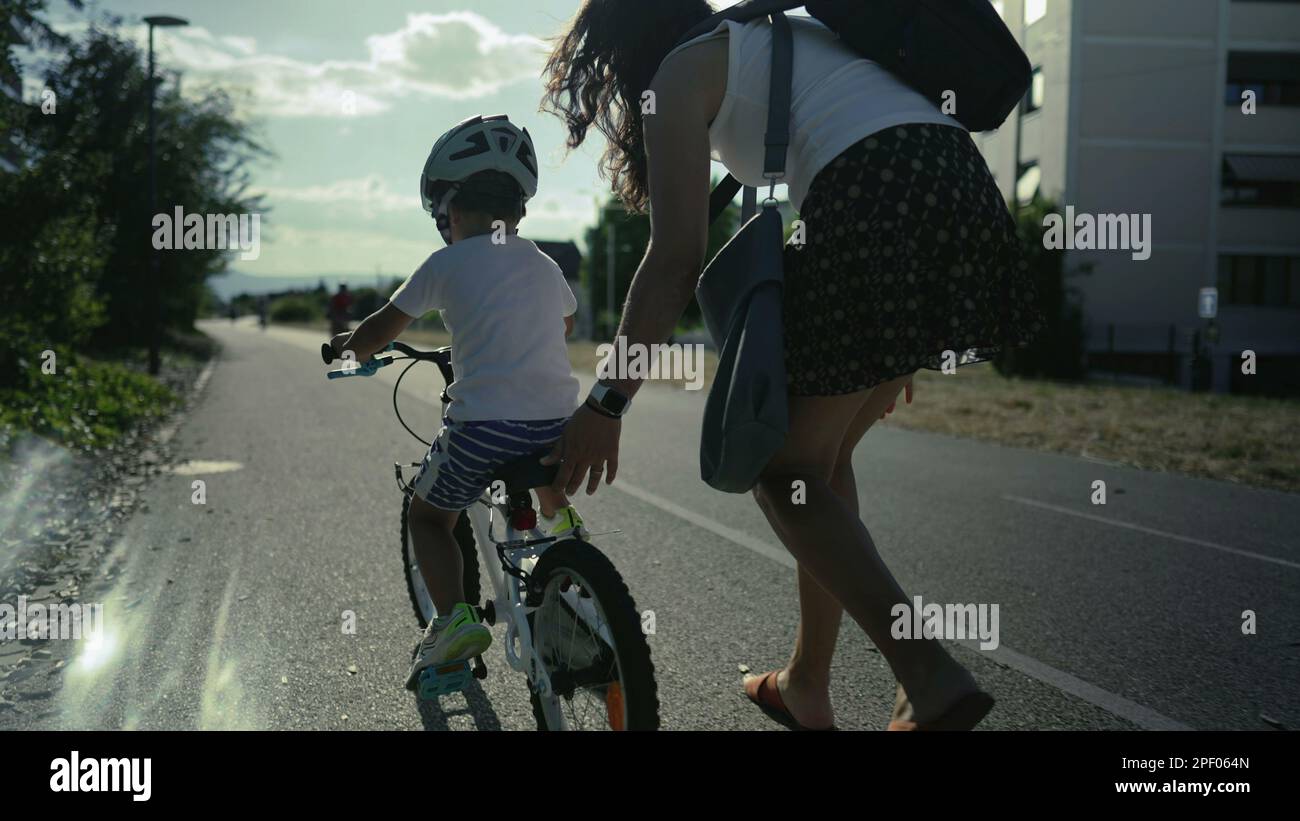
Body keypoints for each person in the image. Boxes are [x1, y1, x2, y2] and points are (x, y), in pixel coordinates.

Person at [540, 1, 1044, 730]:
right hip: (961, 190)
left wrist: (607, 404)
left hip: (874, 199)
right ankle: (807, 682)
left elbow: (675, 260)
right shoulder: (791, 36)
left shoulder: (680, 75)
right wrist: (899, 329)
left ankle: (926, 674)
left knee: (780, 472)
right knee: (823, 461)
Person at [328, 115, 586, 689]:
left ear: (450, 211)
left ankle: (453, 621)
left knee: (428, 516)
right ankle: (562, 530)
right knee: (541, 451)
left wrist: (348, 347)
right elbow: (565, 321)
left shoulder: (446, 263)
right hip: (556, 422)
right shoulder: (542, 263)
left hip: (482, 427)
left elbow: (381, 328)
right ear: (518, 211)